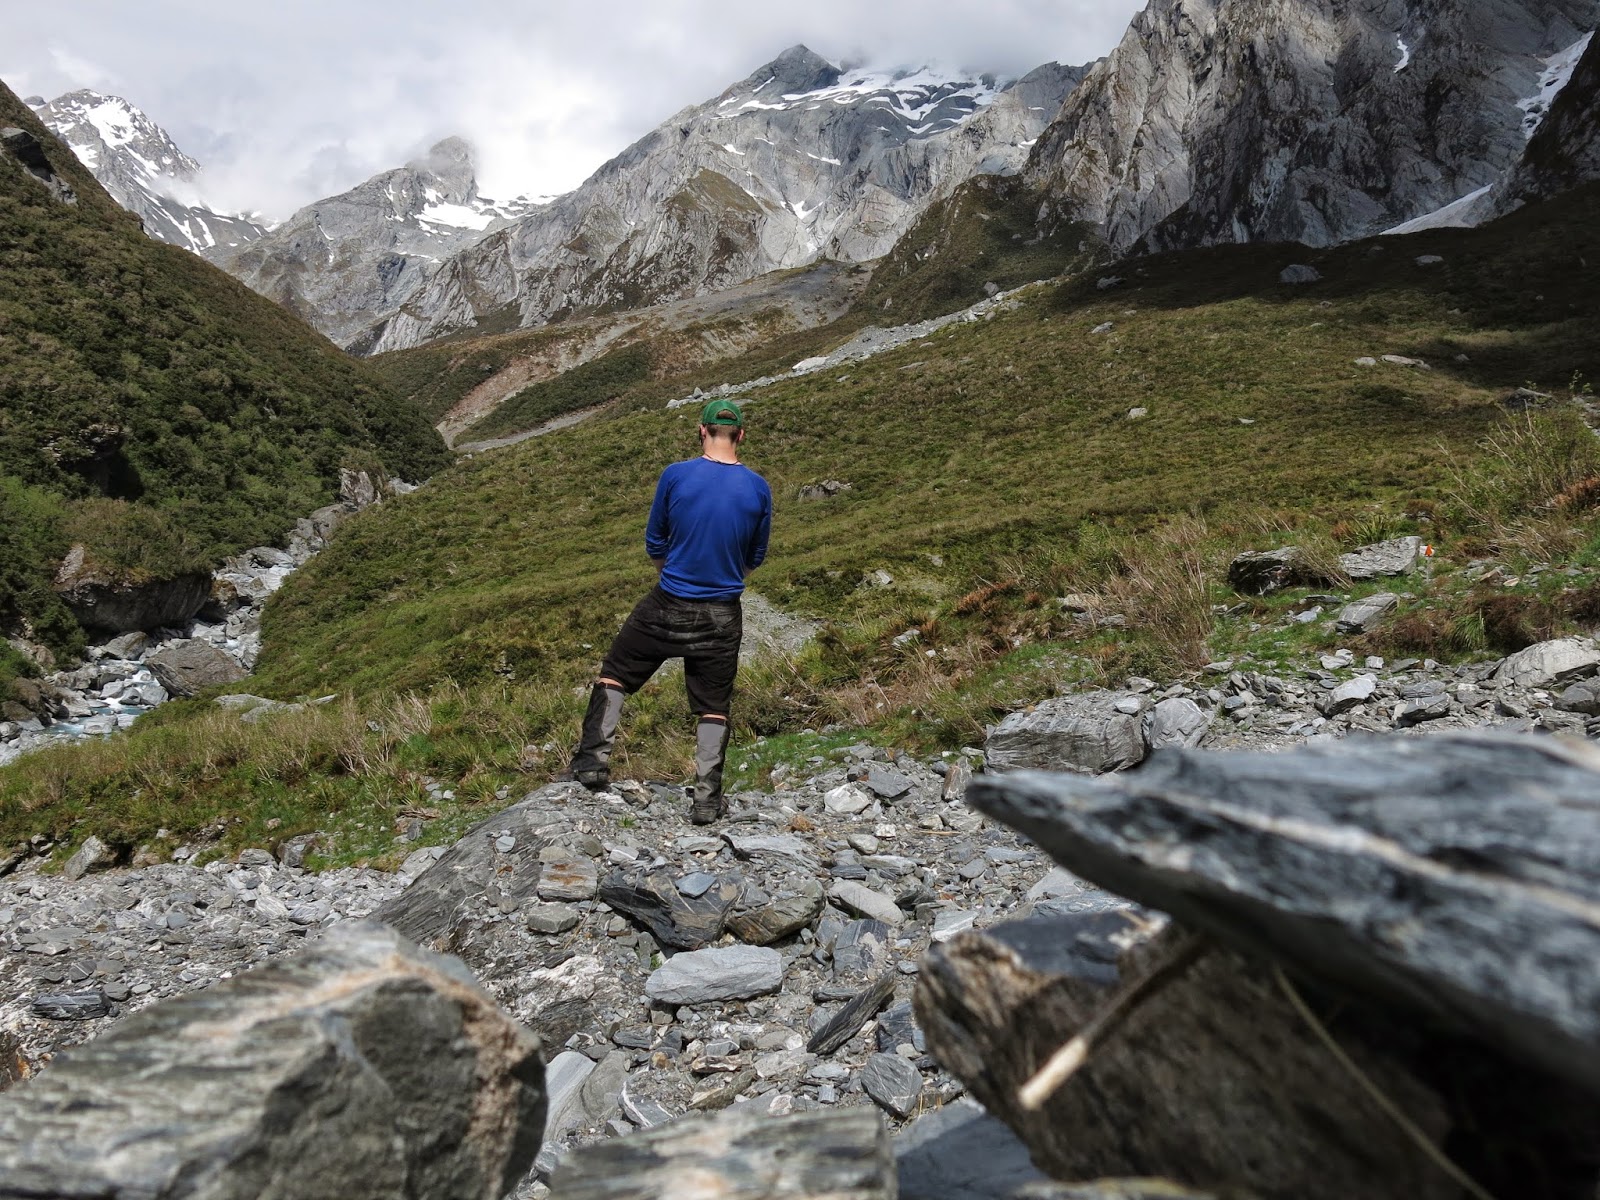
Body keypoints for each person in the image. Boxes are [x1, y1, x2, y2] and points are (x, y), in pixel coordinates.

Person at [566, 398, 773, 824]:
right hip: (722, 613)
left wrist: (675, 577)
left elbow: (655, 541)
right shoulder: (758, 487)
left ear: (702, 431)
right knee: (713, 705)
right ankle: (707, 800)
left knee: (616, 672)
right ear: (741, 435)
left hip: (668, 602)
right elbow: (755, 556)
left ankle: (591, 764)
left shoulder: (676, 475)